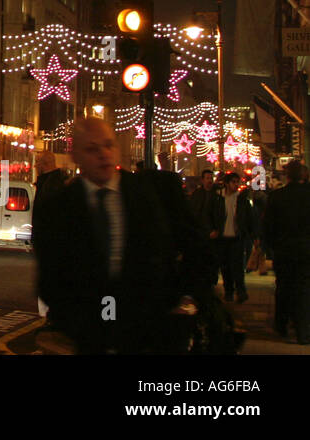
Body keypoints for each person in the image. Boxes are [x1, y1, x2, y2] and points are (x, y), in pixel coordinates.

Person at [34, 116, 195, 353]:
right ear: (75, 155)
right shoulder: (59, 208)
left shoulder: (146, 194)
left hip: (148, 329)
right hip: (91, 333)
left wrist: (179, 299)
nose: (103, 154)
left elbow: (183, 246)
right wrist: (76, 322)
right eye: (92, 149)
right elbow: (50, 276)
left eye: (109, 145)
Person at [264, 161, 310, 342]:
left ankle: (281, 324)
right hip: (306, 249)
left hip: (284, 249)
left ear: (287, 176)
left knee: (283, 286)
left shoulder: (277, 197)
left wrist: (271, 246)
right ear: (303, 176)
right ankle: (303, 329)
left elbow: (268, 226)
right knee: (304, 288)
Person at [209, 172, 254, 303]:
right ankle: (229, 291)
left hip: (236, 237)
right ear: (227, 183)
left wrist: (251, 234)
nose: (236, 185)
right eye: (233, 182)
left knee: (238, 266)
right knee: (225, 266)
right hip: (222, 238)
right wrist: (212, 229)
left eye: (237, 182)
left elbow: (249, 217)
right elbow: (210, 215)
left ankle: (241, 291)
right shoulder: (218, 198)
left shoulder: (241, 199)